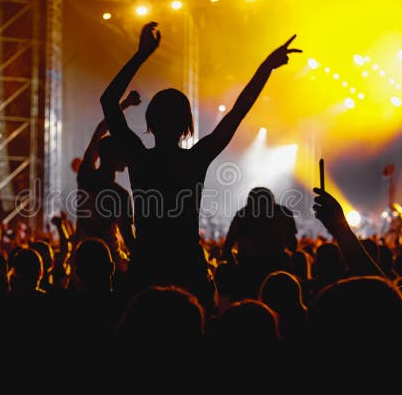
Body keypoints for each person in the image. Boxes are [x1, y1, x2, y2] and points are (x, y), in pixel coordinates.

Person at [99, 21, 300, 307]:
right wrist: (266, 67)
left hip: (146, 265)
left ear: (150, 124)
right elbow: (238, 111)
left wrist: (142, 54)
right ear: (186, 127)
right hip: (188, 267)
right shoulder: (196, 158)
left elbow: (108, 101)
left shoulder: (139, 157)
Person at [75, 91, 141, 273]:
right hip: (109, 269)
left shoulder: (85, 175)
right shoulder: (119, 196)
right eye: (123, 154)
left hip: (79, 266)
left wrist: (125, 105)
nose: (127, 160)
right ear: (114, 158)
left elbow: (99, 132)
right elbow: (129, 241)